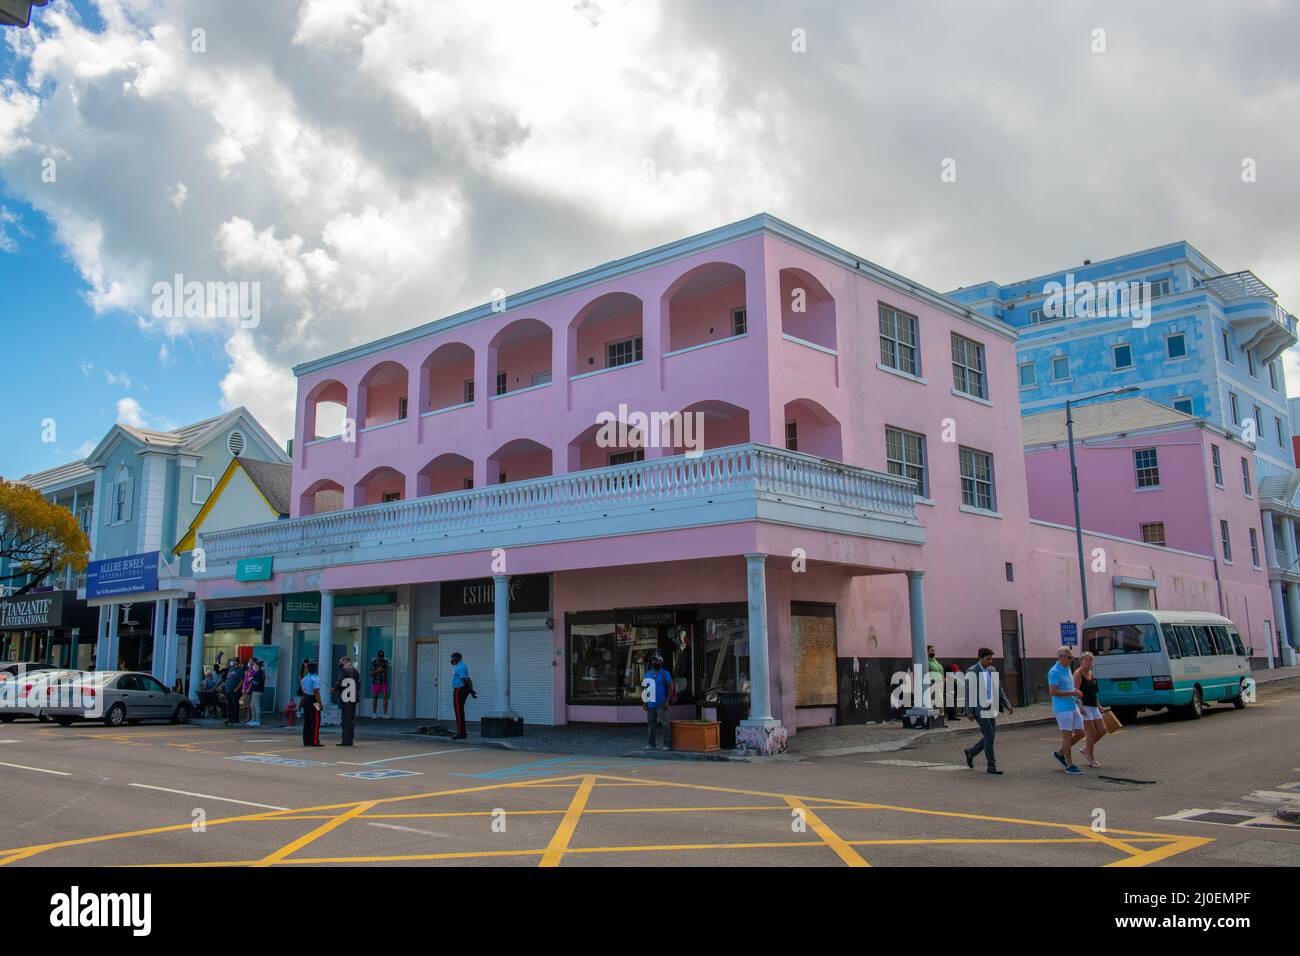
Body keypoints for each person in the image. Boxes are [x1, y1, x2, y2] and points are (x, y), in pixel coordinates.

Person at [962, 647, 1012, 774]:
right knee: (989, 737)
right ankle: (991, 767)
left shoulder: (992, 670)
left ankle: (971, 752)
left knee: (990, 737)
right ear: (980, 658)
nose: (990, 661)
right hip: (980, 709)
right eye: (988, 659)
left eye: (991, 659)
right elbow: (969, 692)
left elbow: (999, 689)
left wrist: (1007, 704)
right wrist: (970, 711)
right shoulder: (972, 671)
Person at [1048, 646, 1085, 775]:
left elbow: (1070, 688)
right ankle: (1069, 765)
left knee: (1081, 733)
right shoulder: (1054, 672)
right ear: (1061, 657)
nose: (1071, 660)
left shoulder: (1067, 669)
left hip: (1072, 705)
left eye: (1072, 657)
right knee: (1067, 736)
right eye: (1069, 657)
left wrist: (1078, 702)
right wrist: (1072, 692)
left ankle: (1060, 753)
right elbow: (1053, 691)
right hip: (1062, 708)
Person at [1075, 651, 1105, 768]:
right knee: (1091, 733)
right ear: (1081, 661)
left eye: (1090, 660)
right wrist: (1080, 706)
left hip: (1093, 705)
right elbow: (1075, 692)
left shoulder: (1091, 673)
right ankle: (1091, 758)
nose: (1089, 662)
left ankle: (1086, 748)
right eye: (1086, 660)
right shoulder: (1078, 674)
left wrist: (1099, 705)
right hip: (1084, 706)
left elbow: (1093, 692)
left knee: (1102, 730)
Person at [642, 653, 675, 751]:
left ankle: (666, 744)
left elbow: (670, 687)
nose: (654, 662)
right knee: (651, 725)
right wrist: (645, 702)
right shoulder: (648, 673)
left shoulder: (665, 673)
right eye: (653, 660)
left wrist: (667, 701)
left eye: (656, 660)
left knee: (665, 724)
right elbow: (645, 689)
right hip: (651, 704)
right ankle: (651, 744)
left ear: (661, 662)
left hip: (661, 703)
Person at [450, 652, 476, 739]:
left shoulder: (460, 667)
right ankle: (462, 732)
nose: (452, 659)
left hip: (459, 690)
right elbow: (469, 679)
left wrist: (469, 689)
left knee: (458, 712)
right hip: (462, 689)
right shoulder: (462, 665)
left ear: (458, 658)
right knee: (460, 711)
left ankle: (461, 733)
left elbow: (464, 679)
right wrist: (471, 690)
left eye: (453, 658)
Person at [335, 655, 360, 746]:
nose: (340, 664)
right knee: (351, 719)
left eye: (340, 662)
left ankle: (346, 740)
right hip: (354, 697)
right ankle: (350, 739)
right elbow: (358, 685)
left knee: (346, 719)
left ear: (343, 661)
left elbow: (340, 682)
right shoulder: (356, 670)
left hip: (346, 697)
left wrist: (335, 689)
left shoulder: (344, 670)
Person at [300, 660, 323, 747]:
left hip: (305, 699)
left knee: (307, 720)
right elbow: (316, 692)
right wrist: (320, 703)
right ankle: (315, 741)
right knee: (316, 719)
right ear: (316, 668)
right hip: (313, 700)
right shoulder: (315, 678)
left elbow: (303, 689)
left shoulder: (305, 678)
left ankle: (306, 741)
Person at [369, 650, 391, 719]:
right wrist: (378, 670)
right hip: (375, 683)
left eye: (382, 657)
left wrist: (383, 667)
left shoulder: (386, 662)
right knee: (375, 698)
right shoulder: (374, 662)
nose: (381, 658)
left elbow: (387, 669)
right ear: (378, 656)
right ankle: (374, 714)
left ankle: (385, 714)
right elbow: (370, 673)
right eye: (380, 657)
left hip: (384, 682)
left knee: (385, 698)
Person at [223, 659, 245, 726]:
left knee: (235, 704)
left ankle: (235, 719)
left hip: (235, 690)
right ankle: (230, 718)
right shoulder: (231, 669)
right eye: (232, 661)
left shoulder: (240, 670)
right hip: (228, 690)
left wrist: (236, 688)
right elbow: (227, 678)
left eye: (234, 661)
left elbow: (242, 680)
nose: (232, 662)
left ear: (237, 662)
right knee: (229, 705)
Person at [246, 660, 265, 727]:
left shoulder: (259, 673)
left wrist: (251, 679)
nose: (253, 666)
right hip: (255, 691)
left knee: (256, 706)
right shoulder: (258, 672)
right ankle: (253, 720)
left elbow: (256, 683)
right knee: (252, 706)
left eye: (254, 665)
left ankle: (257, 721)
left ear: (257, 666)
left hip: (257, 691)